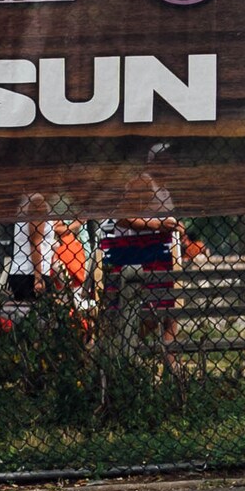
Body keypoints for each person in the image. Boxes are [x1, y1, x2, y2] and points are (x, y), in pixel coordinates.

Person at [98, 141, 186, 346]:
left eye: (171, 160)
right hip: (137, 253)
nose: (171, 163)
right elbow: (122, 217)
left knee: (169, 310)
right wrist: (157, 225)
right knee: (150, 312)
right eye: (164, 160)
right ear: (152, 163)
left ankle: (167, 359)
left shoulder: (164, 189)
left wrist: (175, 228)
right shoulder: (143, 183)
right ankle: (126, 348)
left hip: (158, 254)